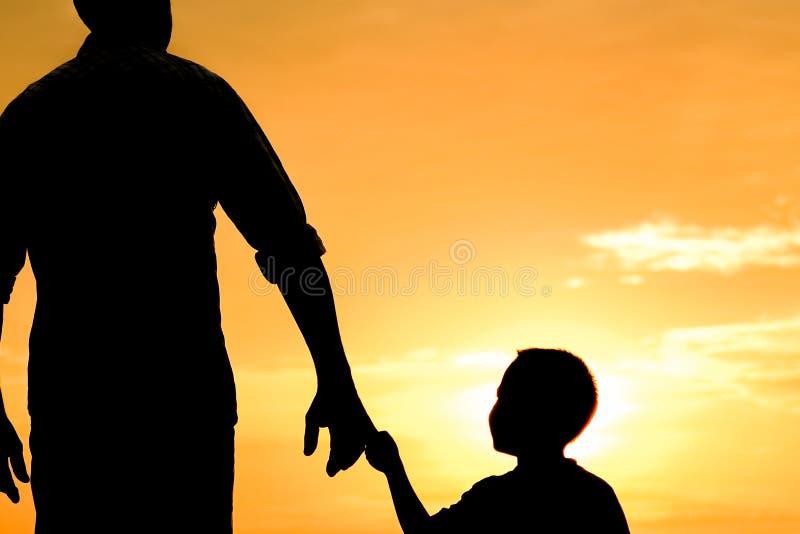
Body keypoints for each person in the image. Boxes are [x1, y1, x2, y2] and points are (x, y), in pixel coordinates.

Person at [0, 1, 375, 532]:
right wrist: (337, 381)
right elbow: (289, 248)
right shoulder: (198, 93)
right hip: (184, 403)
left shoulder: (32, 112)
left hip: (74, 407)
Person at [365, 347, 631, 533]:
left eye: (504, 397)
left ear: (534, 411)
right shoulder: (597, 495)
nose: (495, 409)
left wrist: (394, 471)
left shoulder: (495, 498)